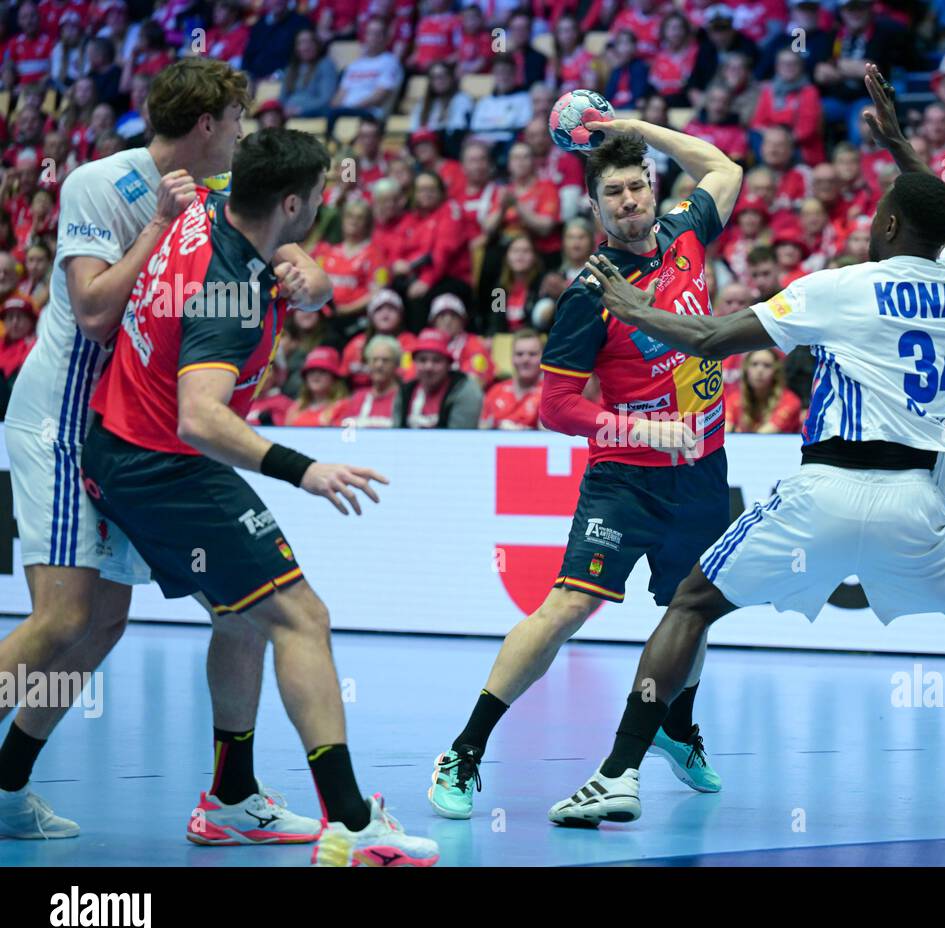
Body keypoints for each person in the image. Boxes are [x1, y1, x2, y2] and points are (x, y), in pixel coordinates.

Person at [549, 65, 945, 835]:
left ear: (892, 229)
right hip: (918, 503)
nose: (871, 223)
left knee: (693, 605)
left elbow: (707, 338)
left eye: (880, 214)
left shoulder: (840, 286)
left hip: (824, 491)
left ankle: (617, 775)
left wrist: (631, 305)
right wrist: (902, 147)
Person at [80, 128, 438, 867]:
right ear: (294, 202)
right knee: (303, 617)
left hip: (120, 439)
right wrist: (304, 468)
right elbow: (201, 415)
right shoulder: (231, 292)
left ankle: (231, 799)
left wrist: (320, 277)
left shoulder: (207, 207)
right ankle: (352, 826)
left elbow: (300, 272)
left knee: (243, 614)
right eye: (318, 204)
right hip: (164, 461)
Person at [0, 59, 329, 844]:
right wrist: (155, 226)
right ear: (208, 124)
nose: (246, 133)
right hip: (63, 420)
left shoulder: (221, 197)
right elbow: (89, 312)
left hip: (134, 431)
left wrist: (308, 272)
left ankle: (9, 786)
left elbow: (263, 259)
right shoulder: (99, 184)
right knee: (62, 616)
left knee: (106, 619)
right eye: (239, 119)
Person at [426, 117, 743, 821]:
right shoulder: (588, 291)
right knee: (568, 607)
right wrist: (643, 427)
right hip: (625, 477)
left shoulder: (688, 232)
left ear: (653, 188)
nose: (630, 201)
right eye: (614, 194)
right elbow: (555, 407)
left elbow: (724, 167)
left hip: (701, 470)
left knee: (691, 616)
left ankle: (675, 726)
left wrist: (632, 128)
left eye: (638, 186)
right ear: (595, 210)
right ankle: (464, 750)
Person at [723, 348, 802, 433]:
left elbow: (764, 436)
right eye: (754, 364)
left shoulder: (790, 401)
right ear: (746, 370)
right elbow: (725, 431)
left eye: (767, 365)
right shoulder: (734, 398)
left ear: (776, 372)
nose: (760, 370)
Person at [480, 328, 543, 430]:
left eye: (532, 354)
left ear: (542, 358)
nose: (525, 359)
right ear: (512, 358)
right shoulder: (495, 391)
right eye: (519, 354)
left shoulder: (549, 394)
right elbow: (480, 431)